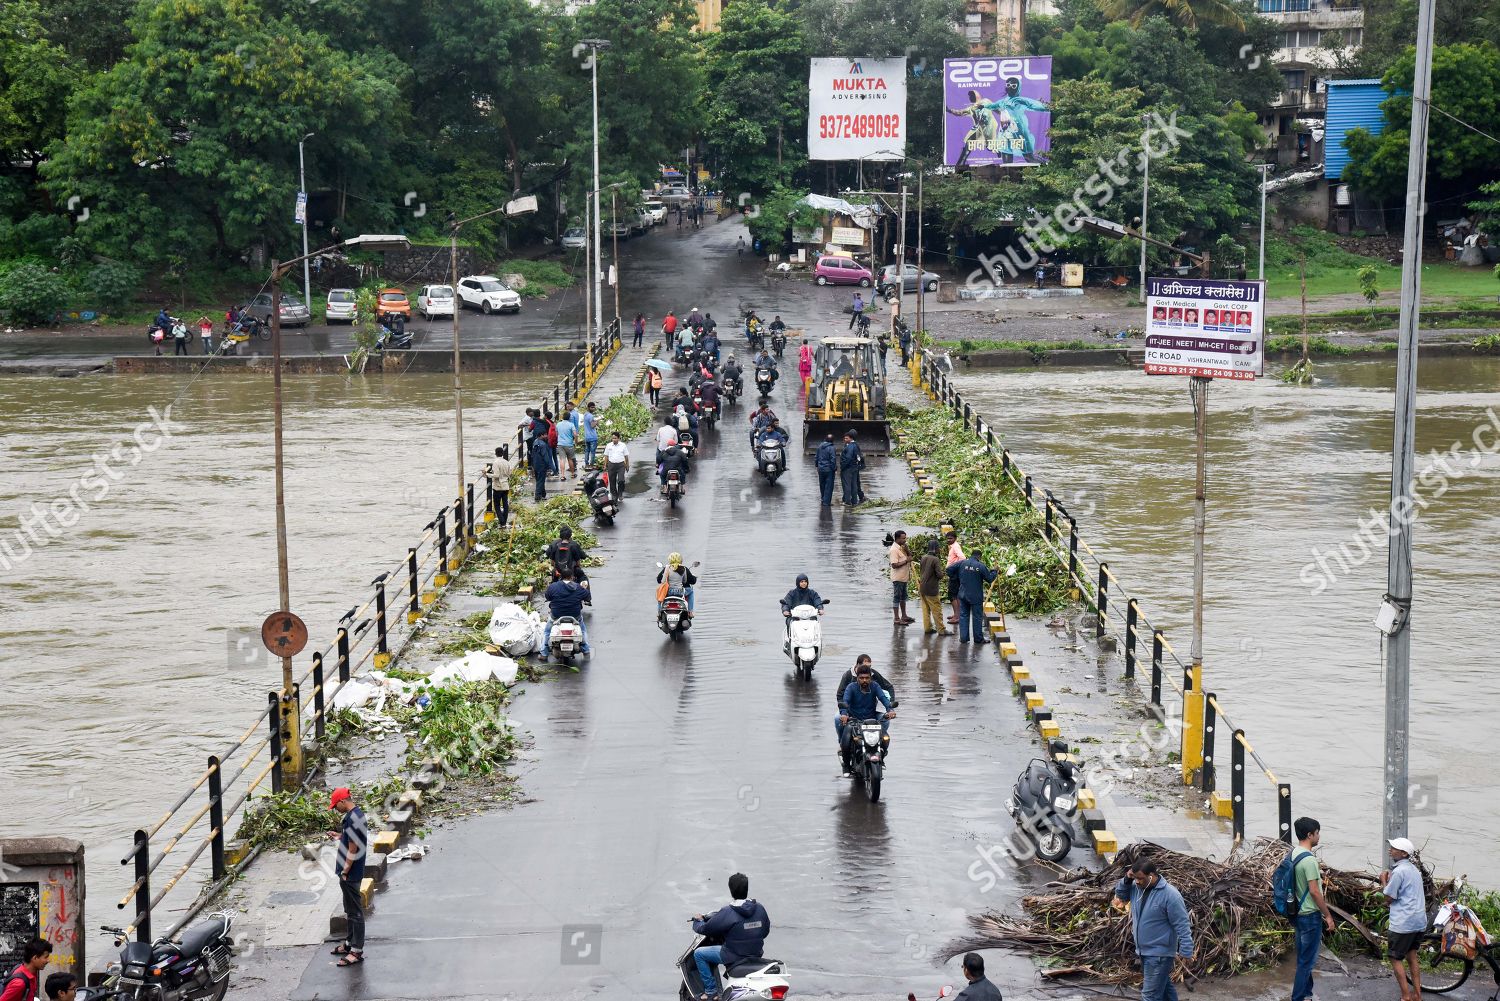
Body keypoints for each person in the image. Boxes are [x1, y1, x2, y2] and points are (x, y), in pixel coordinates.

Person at [1113, 859, 1193, 1001]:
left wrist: (1186, 950)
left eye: (1140, 878)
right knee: (1164, 988)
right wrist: (1127, 879)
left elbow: (1182, 924)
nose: (1137, 881)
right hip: (1144, 951)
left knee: (1150, 995)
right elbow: (1121, 895)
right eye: (1135, 878)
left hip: (1159, 954)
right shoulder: (1136, 889)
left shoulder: (1170, 895)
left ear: (1151, 875)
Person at [690, 873, 771, 1001]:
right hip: (756, 954)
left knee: (699, 954)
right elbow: (765, 932)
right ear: (746, 888)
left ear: (731, 890)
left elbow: (704, 929)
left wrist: (698, 920)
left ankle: (711, 992)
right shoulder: (760, 908)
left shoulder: (728, 911)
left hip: (734, 956)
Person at [1288, 817, 1336, 1001]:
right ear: (1310, 835)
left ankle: (1307, 994)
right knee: (1306, 963)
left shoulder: (1293, 854)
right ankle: (1298, 997)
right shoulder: (1309, 861)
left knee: (1303, 957)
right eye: (1317, 832)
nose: (1319, 836)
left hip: (1297, 914)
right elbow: (1315, 892)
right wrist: (1328, 916)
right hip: (1309, 916)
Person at [1382, 836, 1427, 1001]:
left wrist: (1383, 881)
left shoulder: (1399, 871)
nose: (1390, 849)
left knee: (1395, 958)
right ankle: (1417, 995)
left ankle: (1405, 996)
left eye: (1393, 848)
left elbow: (1388, 898)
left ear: (1402, 853)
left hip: (1403, 922)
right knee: (1412, 957)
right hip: (1419, 921)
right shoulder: (1414, 870)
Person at [330, 787, 368, 968]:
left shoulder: (352, 819)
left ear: (342, 802)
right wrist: (339, 836)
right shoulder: (357, 815)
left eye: (335, 805)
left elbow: (352, 849)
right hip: (352, 872)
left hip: (351, 874)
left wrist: (345, 870)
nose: (335, 808)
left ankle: (356, 951)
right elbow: (351, 839)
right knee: (350, 910)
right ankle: (349, 943)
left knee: (355, 912)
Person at [837, 662, 896, 773]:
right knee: (845, 742)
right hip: (854, 720)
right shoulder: (851, 687)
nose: (864, 680)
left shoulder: (875, 686)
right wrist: (844, 714)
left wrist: (890, 710)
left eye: (867, 678)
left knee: (885, 738)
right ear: (857, 678)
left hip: (871, 720)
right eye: (862, 678)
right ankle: (846, 765)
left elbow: (883, 699)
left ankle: (881, 758)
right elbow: (845, 702)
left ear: (870, 678)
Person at [541, 567, 591, 658]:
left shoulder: (553, 586)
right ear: (572, 577)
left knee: (547, 632)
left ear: (560, 576)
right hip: (575, 616)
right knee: (583, 630)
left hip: (556, 615)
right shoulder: (578, 587)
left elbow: (547, 597)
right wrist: (584, 588)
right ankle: (586, 651)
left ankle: (544, 654)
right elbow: (587, 597)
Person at [955, 551, 998, 643]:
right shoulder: (981, 566)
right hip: (975, 596)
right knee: (977, 617)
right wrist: (994, 571)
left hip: (963, 594)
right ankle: (978, 639)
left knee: (963, 616)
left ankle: (963, 638)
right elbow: (990, 579)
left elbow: (949, 569)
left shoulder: (962, 563)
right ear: (979, 557)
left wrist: (958, 579)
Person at [918, 539, 950, 636]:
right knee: (937, 610)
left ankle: (927, 628)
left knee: (926, 609)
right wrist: (943, 573)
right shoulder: (935, 559)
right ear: (936, 548)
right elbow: (939, 575)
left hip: (922, 587)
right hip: (931, 589)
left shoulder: (923, 557)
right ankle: (941, 630)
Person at [887, 530, 915, 625]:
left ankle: (904, 615)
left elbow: (910, 556)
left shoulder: (902, 547)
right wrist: (906, 561)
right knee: (897, 598)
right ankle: (896, 618)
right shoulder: (894, 550)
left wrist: (907, 550)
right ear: (898, 538)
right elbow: (894, 565)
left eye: (905, 538)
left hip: (904, 577)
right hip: (898, 578)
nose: (905, 540)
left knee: (903, 597)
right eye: (903, 538)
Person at [839, 431, 866, 505]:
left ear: (851, 438)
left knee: (847, 485)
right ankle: (854, 500)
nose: (844, 439)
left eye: (846, 438)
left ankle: (847, 501)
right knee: (854, 485)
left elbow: (848, 458)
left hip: (848, 468)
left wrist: (842, 467)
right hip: (854, 468)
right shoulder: (855, 445)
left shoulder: (850, 446)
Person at [490, 445, 514, 528]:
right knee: (505, 504)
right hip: (505, 486)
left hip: (498, 486)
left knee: (496, 505)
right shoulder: (506, 462)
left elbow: (496, 475)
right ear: (503, 454)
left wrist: (487, 475)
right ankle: (504, 520)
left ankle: (502, 522)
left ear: (495, 454)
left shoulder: (496, 463)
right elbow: (510, 473)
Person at [945, 530, 965, 625]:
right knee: (955, 595)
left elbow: (963, 558)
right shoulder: (953, 546)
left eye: (951, 538)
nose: (949, 540)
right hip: (954, 573)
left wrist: (954, 567)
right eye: (948, 538)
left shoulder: (956, 547)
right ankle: (956, 614)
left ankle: (957, 617)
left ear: (955, 538)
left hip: (954, 574)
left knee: (952, 595)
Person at [604, 432, 630, 504]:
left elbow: (626, 456)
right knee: (612, 482)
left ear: (619, 438)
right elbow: (606, 456)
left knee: (621, 480)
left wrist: (627, 465)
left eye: (615, 438)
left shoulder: (623, 445)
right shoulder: (609, 445)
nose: (614, 440)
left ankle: (620, 493)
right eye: (613, 438)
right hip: (611, 465)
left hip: (621, 465)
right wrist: (605, 465)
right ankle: (614, 496)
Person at [814, 433, 838, 507]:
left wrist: (817, 466)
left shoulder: (820, 446)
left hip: (821, 469)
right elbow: (833, 459)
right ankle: (826, 502)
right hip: (829, 469)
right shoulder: (832, 448)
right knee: (829, 486)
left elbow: (816, 457)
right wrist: (834, 468)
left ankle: (823, 498)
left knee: (822, 484)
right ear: (833, 441)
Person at [555, 410, 579, 478]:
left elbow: (556, 434)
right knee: (570, 459)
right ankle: (572, 474)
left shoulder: (558, 424)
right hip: (569, 444)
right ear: (569, 418)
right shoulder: (571, 424)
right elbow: (575, 434)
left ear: (563, 417)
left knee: (562, 459)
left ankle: (562, 475)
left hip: (560, 444)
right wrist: (576, 442)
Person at [530, 433, 553, 500]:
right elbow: (545, 456)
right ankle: (537, 495)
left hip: (535, 464)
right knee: (541, 480)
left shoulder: (535, 442)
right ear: (541, 435)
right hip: (541, 465)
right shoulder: (543, 445)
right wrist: (549, 466)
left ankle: (543, 494)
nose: (547, 436)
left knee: (539, 479)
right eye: (545, 435)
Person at [582, 402, 601, 468]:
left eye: (594, 407)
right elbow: (592, 426)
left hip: (587, 437)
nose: (593, 408)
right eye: (592, 407)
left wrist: (595, 421)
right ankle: (591, 464)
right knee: (592, 452)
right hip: (592, 437)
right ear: (588, 407)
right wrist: (597, 421)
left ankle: (586, 464)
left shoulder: (585, 415)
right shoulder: (591, 416)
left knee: (587, 451)